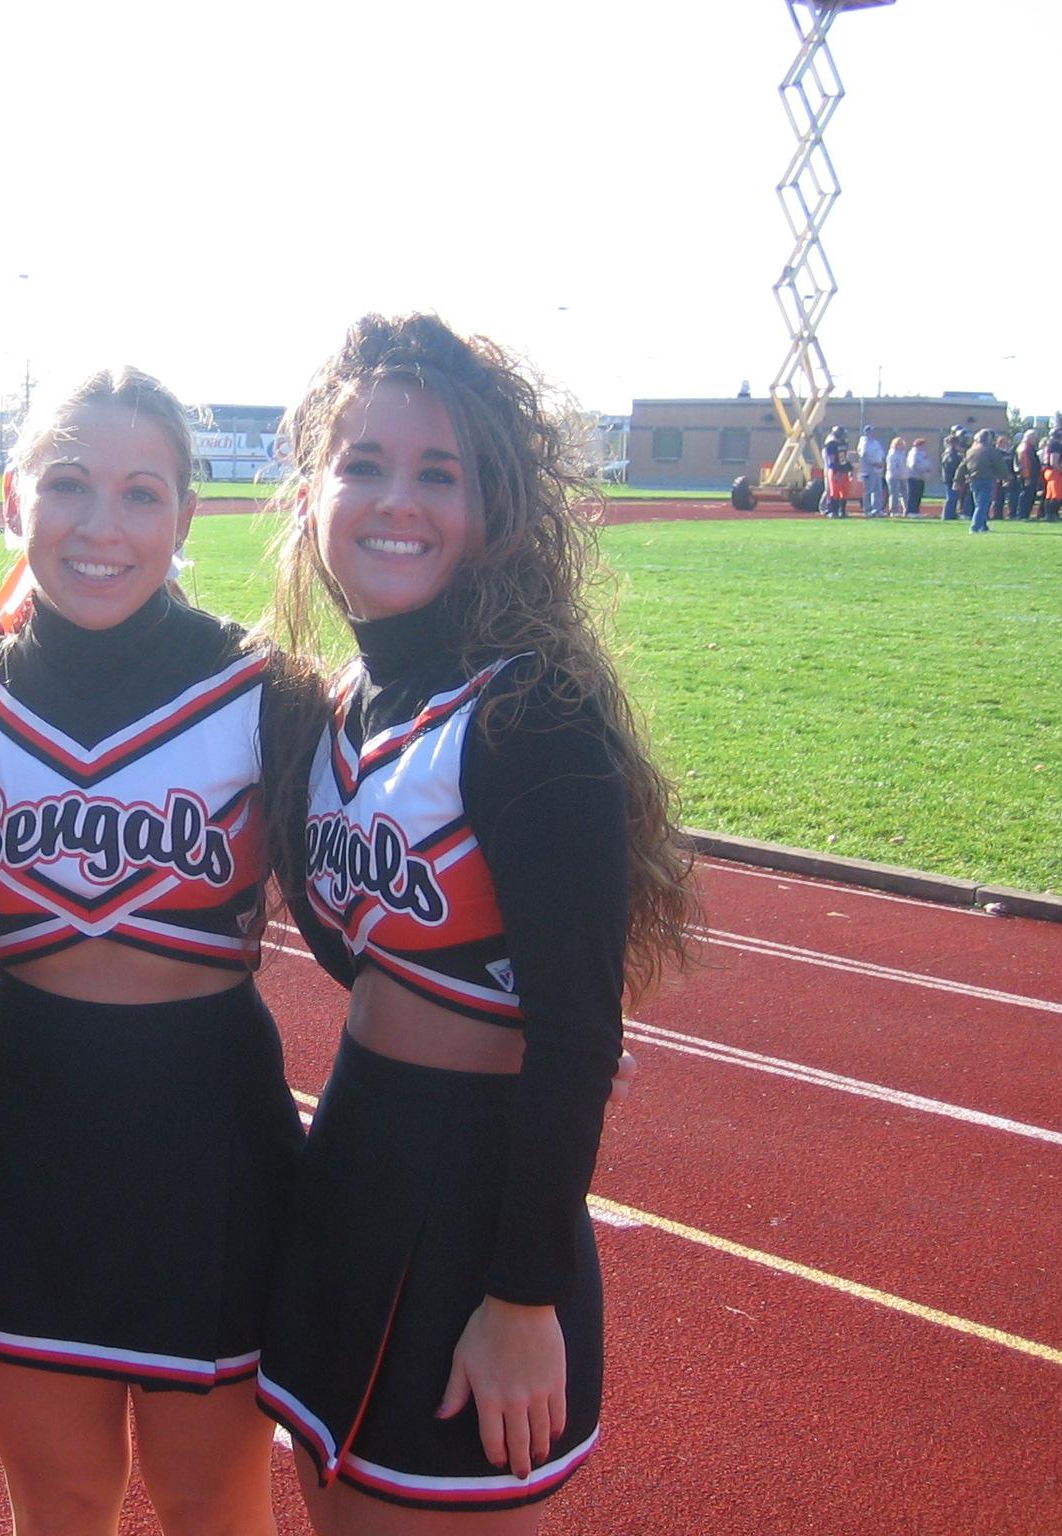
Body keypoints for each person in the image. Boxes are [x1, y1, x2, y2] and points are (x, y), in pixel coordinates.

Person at [254, 313, 694, 1530]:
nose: (396, 501)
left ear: (493, 510)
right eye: (363, 464)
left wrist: (521, 1297)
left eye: (437, 473)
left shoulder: (529, 722)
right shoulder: (332, 707)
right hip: (347, 1164)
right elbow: (353, 952)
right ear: (311, 493)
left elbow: (576, 1037)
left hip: (479, 1215)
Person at [0, 367, 306, 1536]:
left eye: (141, 494)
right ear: (12, 498)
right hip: (21, 1139)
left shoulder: (265, 691)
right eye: (68, 485)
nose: (102, 525)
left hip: (212, 1140)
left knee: (210, 1502)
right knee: (59, 1500)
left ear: (185, 515)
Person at [962, 428, 1001, 533]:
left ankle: (983, 526)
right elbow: (999, 465)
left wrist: (957, 480)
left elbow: (962, 466)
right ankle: (975, 527)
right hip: (986, 479)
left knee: (979, 504)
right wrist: (1006, 477)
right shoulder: (991, 450)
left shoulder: (971, 451)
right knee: (982, 504)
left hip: (973, 480)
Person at [823, 426, 854, 517]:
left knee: (845, 492)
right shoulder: (831, 444)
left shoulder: (844, 443)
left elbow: (845, 457)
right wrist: (836, 471)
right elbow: (831, 460)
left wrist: (849, 468)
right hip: (835, 470)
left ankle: (842, 511)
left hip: (843, 469)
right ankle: (833, 511)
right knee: (834, 492)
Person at [1013, 429, 1043, 521]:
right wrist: (1027, 477)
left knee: (1029, 495)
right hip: (1028, 476)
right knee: (1026, 495)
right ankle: (1022, 515)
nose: (1036, 439)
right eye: (1034, 437)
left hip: (1029, 475)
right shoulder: (1025, 448)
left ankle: (1024, 514)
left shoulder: (1026, 447)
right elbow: (1025, 463)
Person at [858, 424, 886, 516]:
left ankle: (877, 509)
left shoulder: (876, 443)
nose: (873, 433)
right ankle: (867, 510)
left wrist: (881, 463)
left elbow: (881, 455)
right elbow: (864, 456)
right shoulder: (864, 443)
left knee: (878, 491)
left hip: (877, 471)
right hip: (868, 471)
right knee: (868, 491)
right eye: (871, 431)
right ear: (866, 432)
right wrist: (874, 464)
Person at [939, 428, 967, 521]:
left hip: (950, 478)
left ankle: (951, 514)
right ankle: (947, 515)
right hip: (951, 478)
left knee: (953, 497)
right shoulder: (951, 454)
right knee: (951, 497)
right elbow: (952, 465)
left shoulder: (949, 453)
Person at [904, 436, 933, 517]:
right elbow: (913, 465)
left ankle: (916, 511)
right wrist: (922, 470)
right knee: (913, 495)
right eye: (923, 445)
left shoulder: (923, 453)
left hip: (921, 478)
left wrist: (928, 470)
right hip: (914, 477)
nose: (924, 447)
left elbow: (927, 463)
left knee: (919, 495)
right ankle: (911, 512)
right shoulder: (914, 453)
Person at [884, 435, 910, 517]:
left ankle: (906, 510)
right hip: (893, 477)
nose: (901, 445)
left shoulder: (902, 454)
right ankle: (893, 511)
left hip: (903, 477)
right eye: (899, 444)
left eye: (902, 443)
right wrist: (897, 473)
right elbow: (891, 467)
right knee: (894, 494)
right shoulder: (892, 454)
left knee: (905, 494)